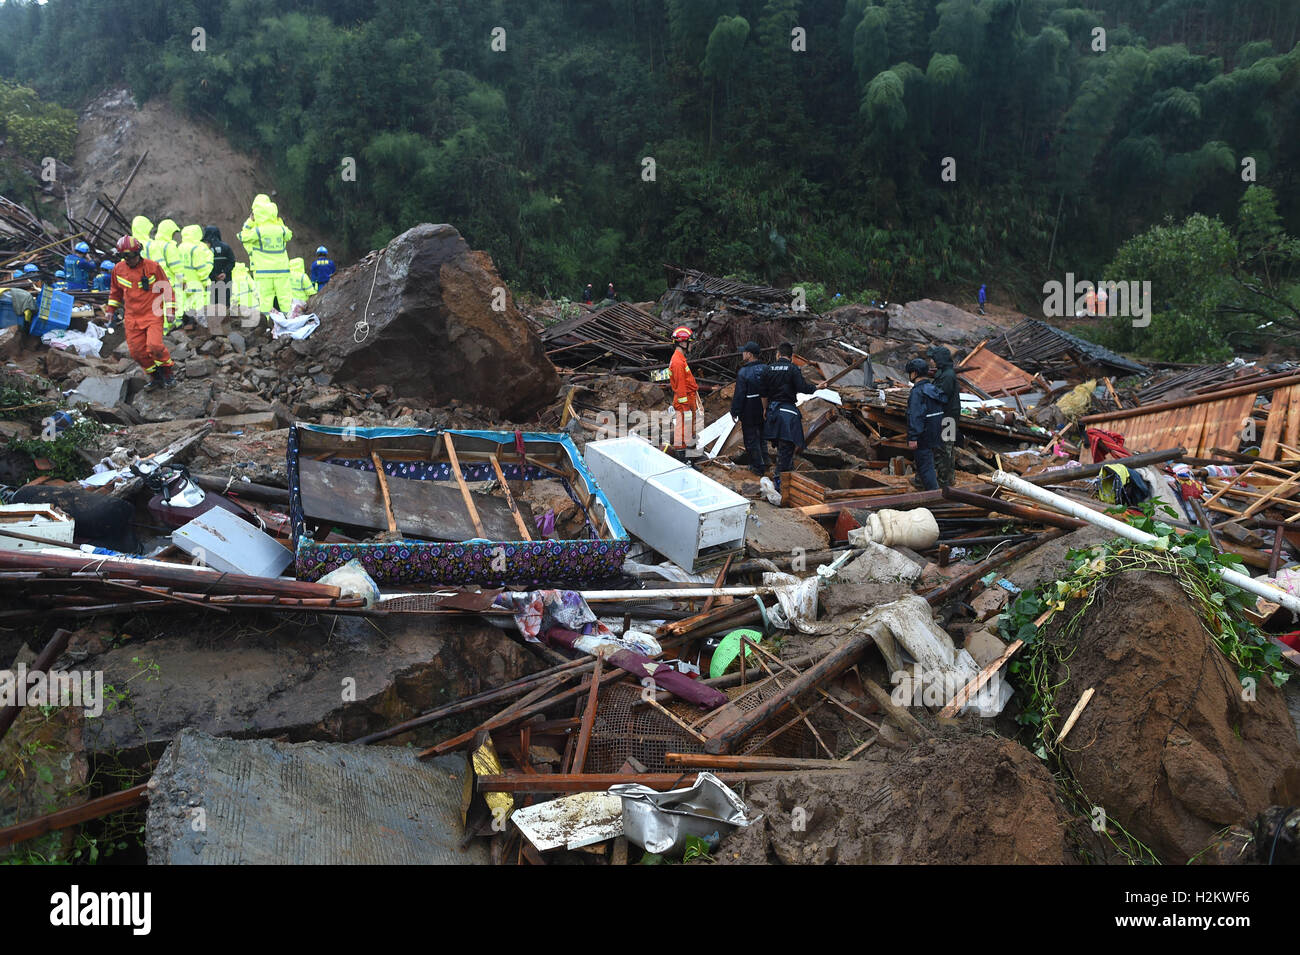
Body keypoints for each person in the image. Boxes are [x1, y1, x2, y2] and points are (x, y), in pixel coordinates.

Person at [102, 235, 176, 390]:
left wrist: (170, 310)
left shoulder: (152, 267)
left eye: (130, 256)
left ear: (138, 253)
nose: (127, 260)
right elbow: (115, 292)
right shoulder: (118, 270)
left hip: (152, 315)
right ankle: (156, 377)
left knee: (154, 346)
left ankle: (168, 373)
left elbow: (167, 288)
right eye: (124, 257)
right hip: (132, 319)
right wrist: (110, 311)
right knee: (137, 352)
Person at [762, 342, 811, 491]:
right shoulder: (793, 369)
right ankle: (781, 482)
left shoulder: (768, 369)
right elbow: (803, 388)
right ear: (791, 357)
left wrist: (765, 409)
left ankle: (783, 476)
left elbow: (763, 393)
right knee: (786, 448)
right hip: (788, 414)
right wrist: (817, 387)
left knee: (780, 447)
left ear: (778, 354)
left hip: (773, 412)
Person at [238, 195, 294, 314]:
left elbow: (242, 236)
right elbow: (289, 235)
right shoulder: (281, 229)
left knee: (265, 301)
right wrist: (277, 221)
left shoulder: (257, 230)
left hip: (263, 271)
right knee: (285, 299)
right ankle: (289, 322)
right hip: (281, 270)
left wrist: (250, 221)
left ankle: (268, 327)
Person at [905, 358, 947, 491]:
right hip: (937, 433)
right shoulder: (933, 388)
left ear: (915, 373)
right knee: (929, 464)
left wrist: (913, 437)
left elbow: (915, 416)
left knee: (926, 467)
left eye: (910, 372)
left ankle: (933, 496)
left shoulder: (917, 392)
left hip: (923, 435)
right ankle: (925, 486)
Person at [730, 341, 768, 477]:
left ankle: (757, 467)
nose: (742, 353)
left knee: (751, 439)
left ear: (749, 355)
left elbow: (739, 394)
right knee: (762, 437)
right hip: (764, 408)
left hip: (749, 410)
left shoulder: (744, 372)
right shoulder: (766, 368)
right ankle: (766, 461)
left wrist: (734, 411)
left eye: (744, 352)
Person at [926, 345, 960, 487]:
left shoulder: (947, 376)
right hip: (948, 416)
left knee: (945, 449)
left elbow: (940, 396)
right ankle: (949, 478)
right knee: (947, 448)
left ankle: (944, 481)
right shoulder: (943, 372)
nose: (931, 361)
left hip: (947, 417)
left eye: (933, 358)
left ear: (939, 359)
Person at [668, 326, 701, 449]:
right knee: (683, 431)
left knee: (687, 429)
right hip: (684, 401)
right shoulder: (677, 362)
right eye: (689, 342)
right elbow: (681, 387)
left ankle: (688, 454)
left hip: (687, 399)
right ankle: (682, 454)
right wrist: (686, 407)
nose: (691, 345)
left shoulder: (680, 359)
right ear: (682, 342)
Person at [177, 224, 212, 330]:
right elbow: (201, 269)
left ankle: (188, 325)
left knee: (188, 306)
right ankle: (202, 329)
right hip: (196, 283)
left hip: (184, 283)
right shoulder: (196, 249)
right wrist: (206, 283)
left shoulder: (180, 247)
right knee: (200, 308)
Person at [204, 226, 236, 318]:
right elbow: (232, 261)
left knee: (213, 303)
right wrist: (225, 273)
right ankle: (225, 322)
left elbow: (203, 265)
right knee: (225, 303)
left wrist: (214, 276)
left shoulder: (205, 248)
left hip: (211, 281)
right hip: (226, 280)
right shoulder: (226, 247)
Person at [148, 219, 184, 295]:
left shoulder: (151, 245)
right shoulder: (169, 247)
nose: (174, 236)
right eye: (173, 233)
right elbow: (177, 268)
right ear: (169, 232)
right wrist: (183, 282)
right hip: (172, 287)